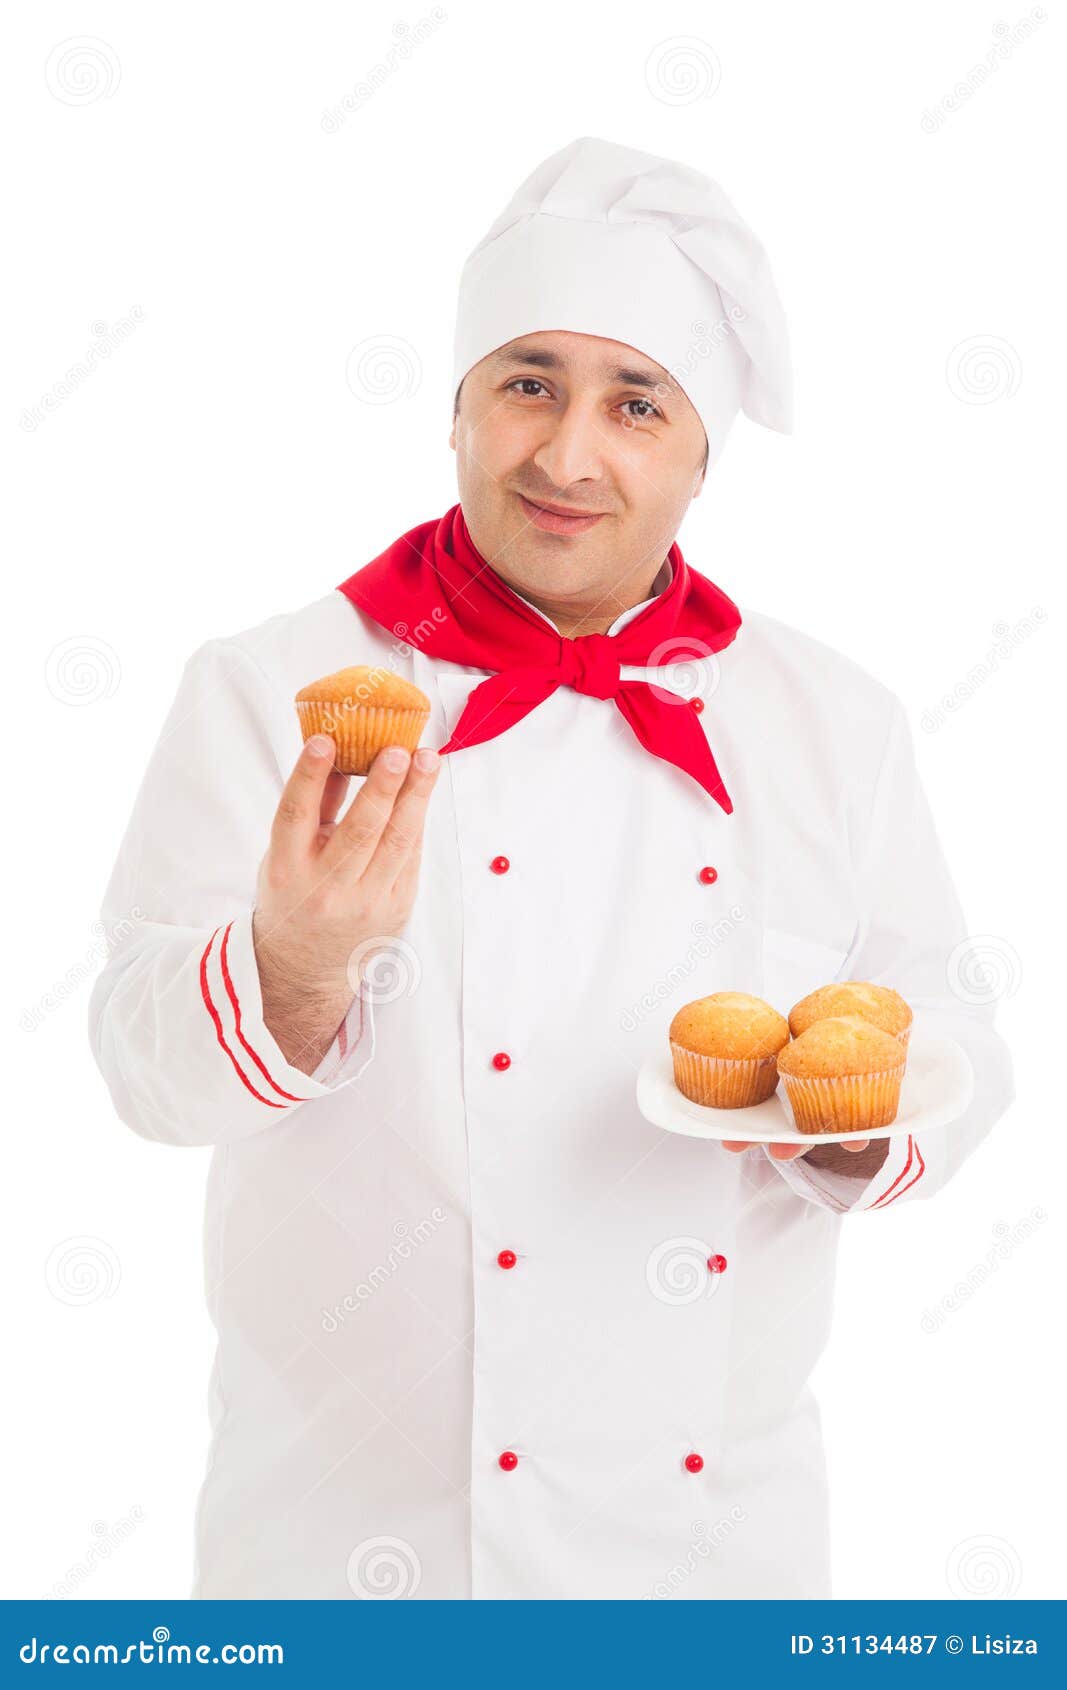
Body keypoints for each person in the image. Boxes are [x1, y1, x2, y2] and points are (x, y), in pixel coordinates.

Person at [88, 136, 1013, 1600]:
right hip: (334, 1566)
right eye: (526, 381)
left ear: (702, 451)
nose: (568, 455)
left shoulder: (832, 723)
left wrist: (848, 1128)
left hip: (714, 1571)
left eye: (635, 402)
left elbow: (957, 1040)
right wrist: (295, 967)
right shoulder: (272, 690)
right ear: (455, 409)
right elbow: (138, 1068)